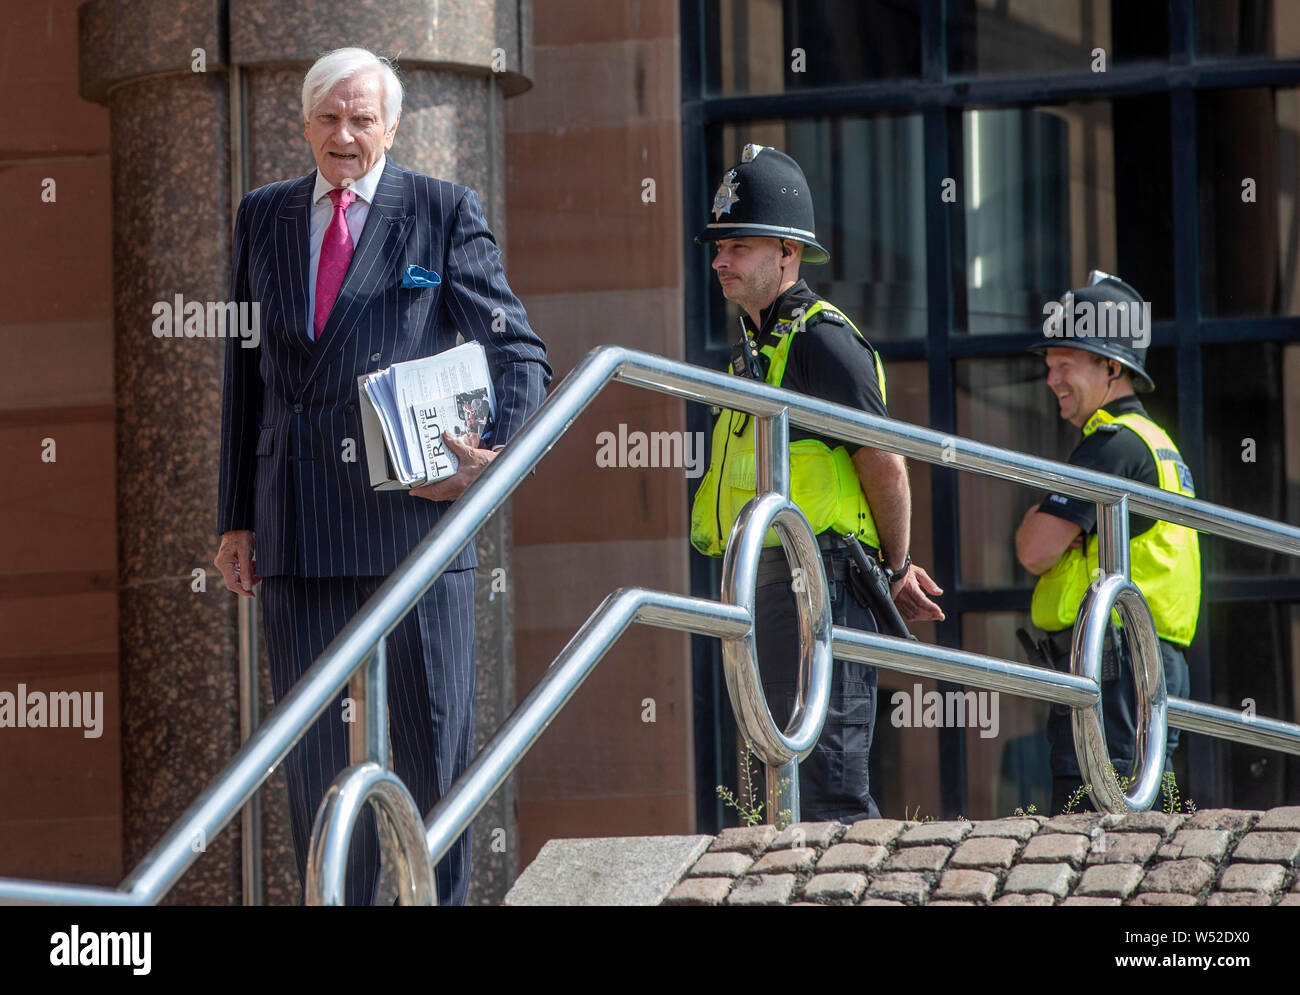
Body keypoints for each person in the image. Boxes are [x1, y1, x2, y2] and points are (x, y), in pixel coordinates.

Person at [213, 47, 552, 905]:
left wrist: (490, 451)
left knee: (436, 751)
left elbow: (520, 352)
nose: (345, 133)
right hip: (297, 523)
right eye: (329, 116)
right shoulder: (262, 216)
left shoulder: (441, 211)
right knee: (317, 770)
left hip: (418, 525)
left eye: (363, 118)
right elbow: (242, 371)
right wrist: (235, 519)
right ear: (304, 125)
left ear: (393, 127)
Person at [690, 144, 944, 823]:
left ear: (787, 252)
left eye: (738, 245)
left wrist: (896, 566)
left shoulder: (821, 340)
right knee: (775, 785)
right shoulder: (757, 346)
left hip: (818, 583)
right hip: (766, 585)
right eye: (718, 245)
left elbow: (884, 460)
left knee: (825, 787)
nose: (719, 259)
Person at [1015, 272, 1200, 815]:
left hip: (1114, 660)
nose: (1052, 379)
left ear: (1112, 368)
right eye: (1050, 366)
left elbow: (1034, 549)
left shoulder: (1110, 447)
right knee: (1141, 808)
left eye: (1066, 364)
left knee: (1092, 817)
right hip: (1149, 659)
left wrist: (1040, 518)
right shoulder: (1158, 445)